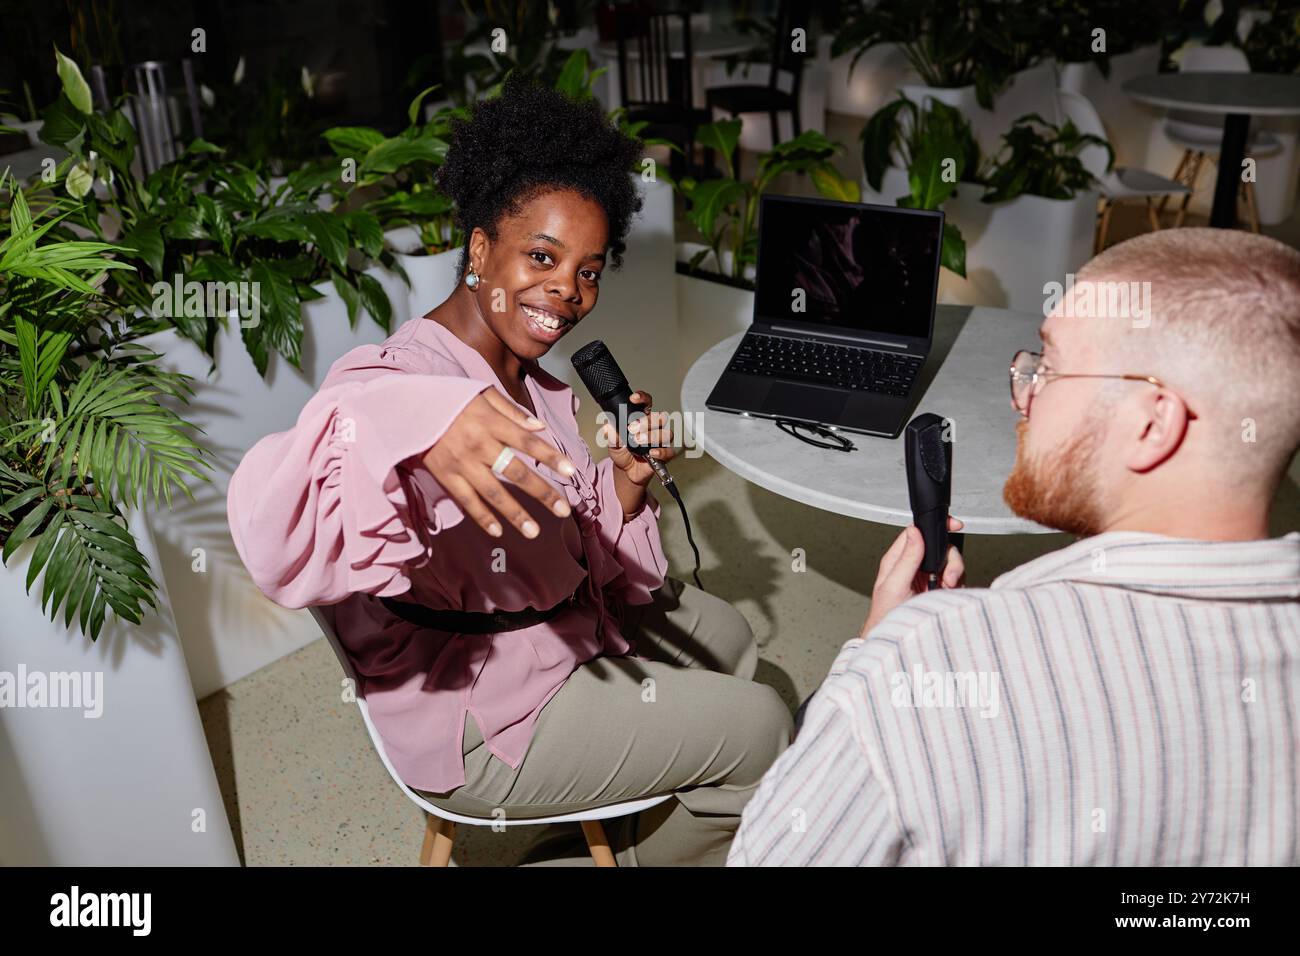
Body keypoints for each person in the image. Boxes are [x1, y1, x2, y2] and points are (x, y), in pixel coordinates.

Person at [227, 75, 791, 867]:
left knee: (729, 636)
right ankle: (617, 858)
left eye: (589, 270)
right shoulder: (399, 376)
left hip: (550, 625)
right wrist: (424, 419)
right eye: (541, 256)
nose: (566, 290)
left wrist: (625, 479)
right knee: (764, 725)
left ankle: (643, 808)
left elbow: (568, 538)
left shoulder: (539, 383)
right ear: (480, 249)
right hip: (476, 709)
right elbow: (275, 505)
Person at [729, 228, 1300, 866]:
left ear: (1152, 422)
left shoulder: (926, 665)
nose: (1021, 395)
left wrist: (877, 650)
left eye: (1049, 367)